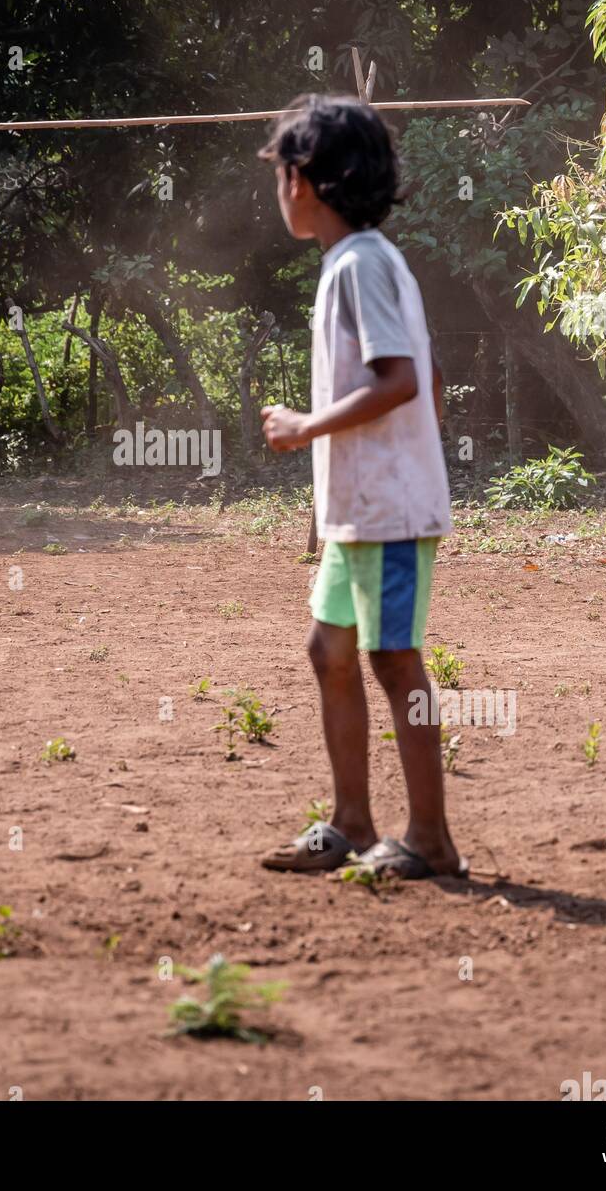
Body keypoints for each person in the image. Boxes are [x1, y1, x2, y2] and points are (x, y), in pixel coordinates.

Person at [257, 94, 465, 880]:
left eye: (281, 172)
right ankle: (350, 820)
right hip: (364, 510)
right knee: (330, 649)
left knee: (392, 659)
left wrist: (307, 430)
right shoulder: (362, 261)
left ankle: (430, 838)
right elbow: (431, 376)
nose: (279, 188)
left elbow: (402, 379)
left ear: (304, 180)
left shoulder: (362, 264)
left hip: (387, 513)